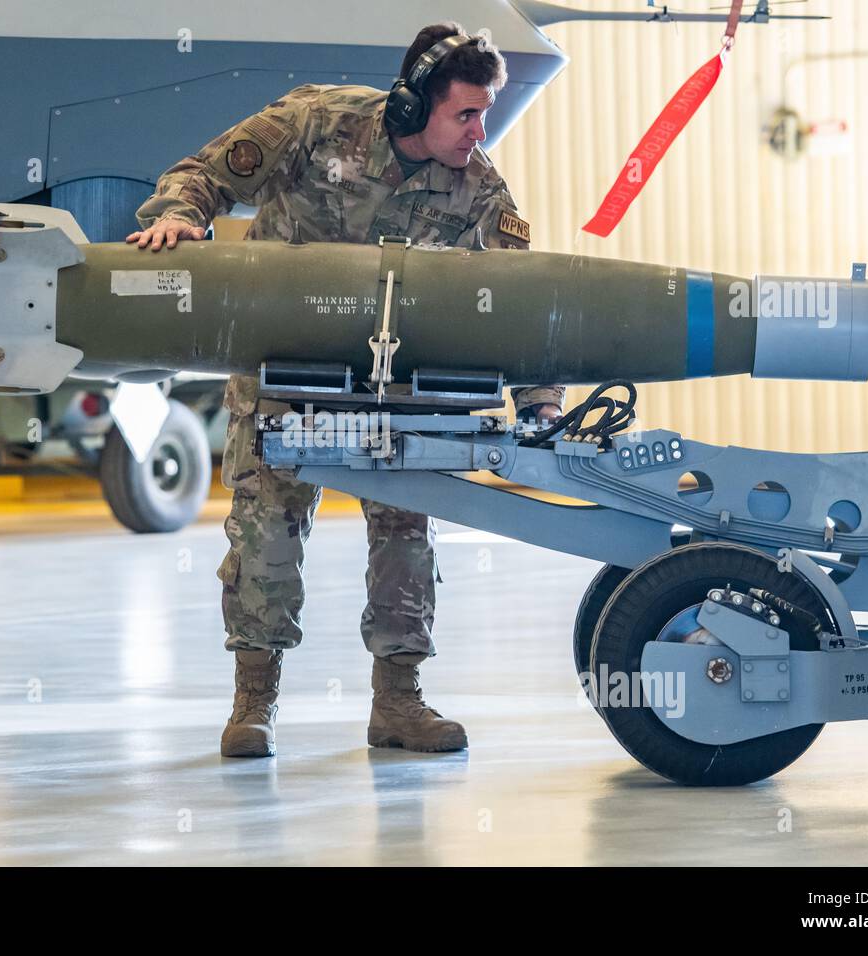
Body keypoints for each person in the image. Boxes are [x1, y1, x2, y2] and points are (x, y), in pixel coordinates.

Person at [127, 22, 565, 758]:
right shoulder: (314, 122)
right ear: (411, 106)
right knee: (266, 532)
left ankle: (399, 703)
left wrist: (541, 399)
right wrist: (180, 216)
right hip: (284, 375)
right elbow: (203, 174)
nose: (478, 130)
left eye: (484, 112)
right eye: (465, 113)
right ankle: (253, 704)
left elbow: (516, 300)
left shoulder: (479, 187)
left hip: (395, 389)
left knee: (406, 538)